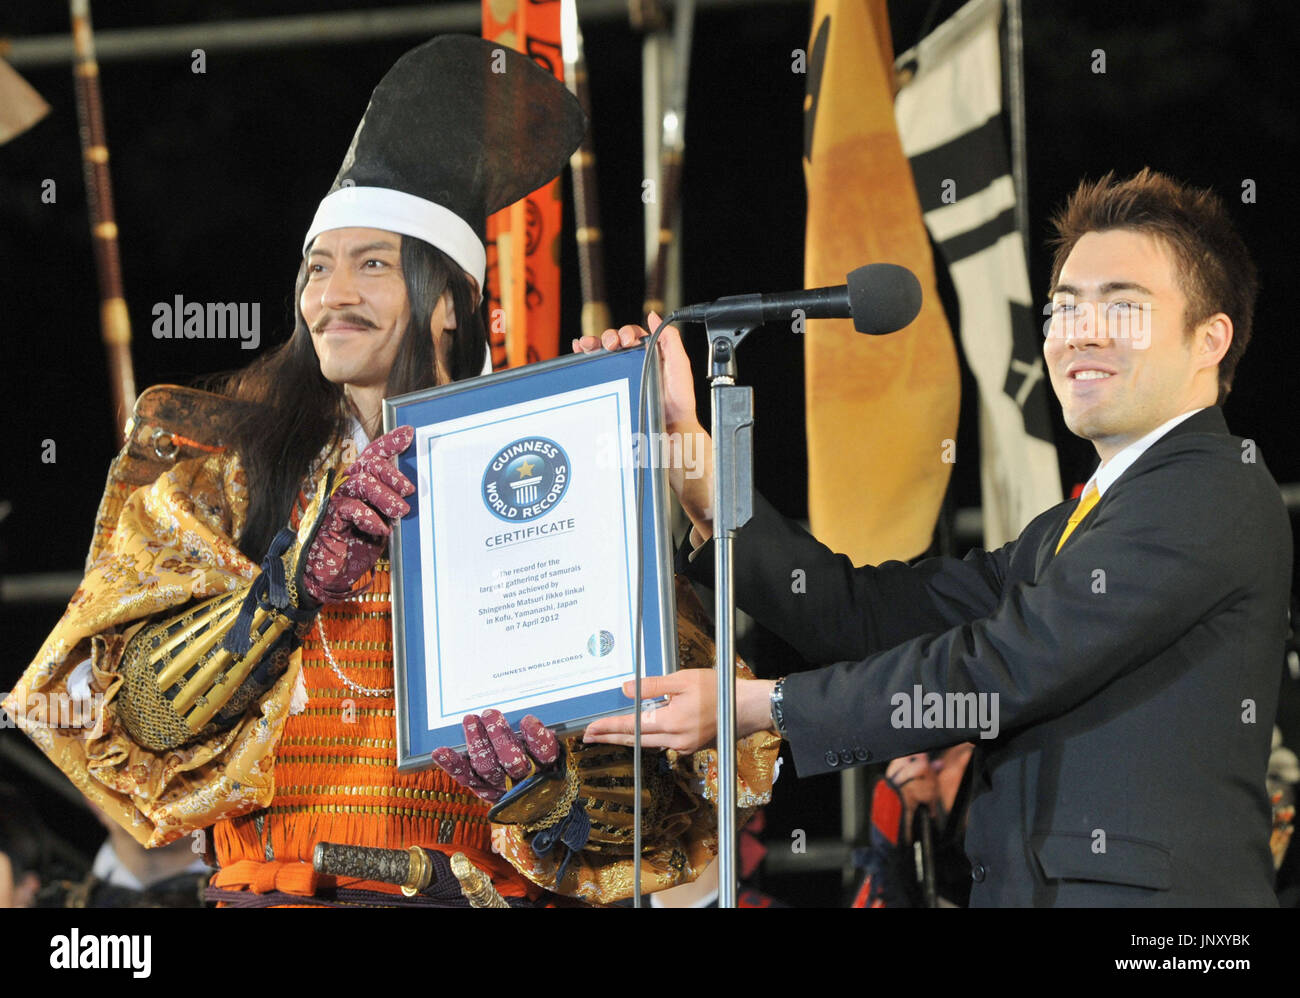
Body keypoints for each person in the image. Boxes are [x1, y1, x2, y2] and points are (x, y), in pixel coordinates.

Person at [4, 34, 775, 907]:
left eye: (372, 265)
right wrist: (284, 592)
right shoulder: (230, 477)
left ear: (448, 301)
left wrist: (550, 793)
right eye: (318, 269)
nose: (333, 295)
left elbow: (660, 801)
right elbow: (134, 715)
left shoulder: (544, 480)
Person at [582, 169, 1291, 906]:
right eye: (1064, 307)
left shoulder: (1212, 489)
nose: (1081, 330)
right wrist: (687, 452)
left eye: (1124, 307)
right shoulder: (1070, 531)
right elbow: (864, 613)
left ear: (1211, 338)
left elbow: (1003, 666)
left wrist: (765, 707)